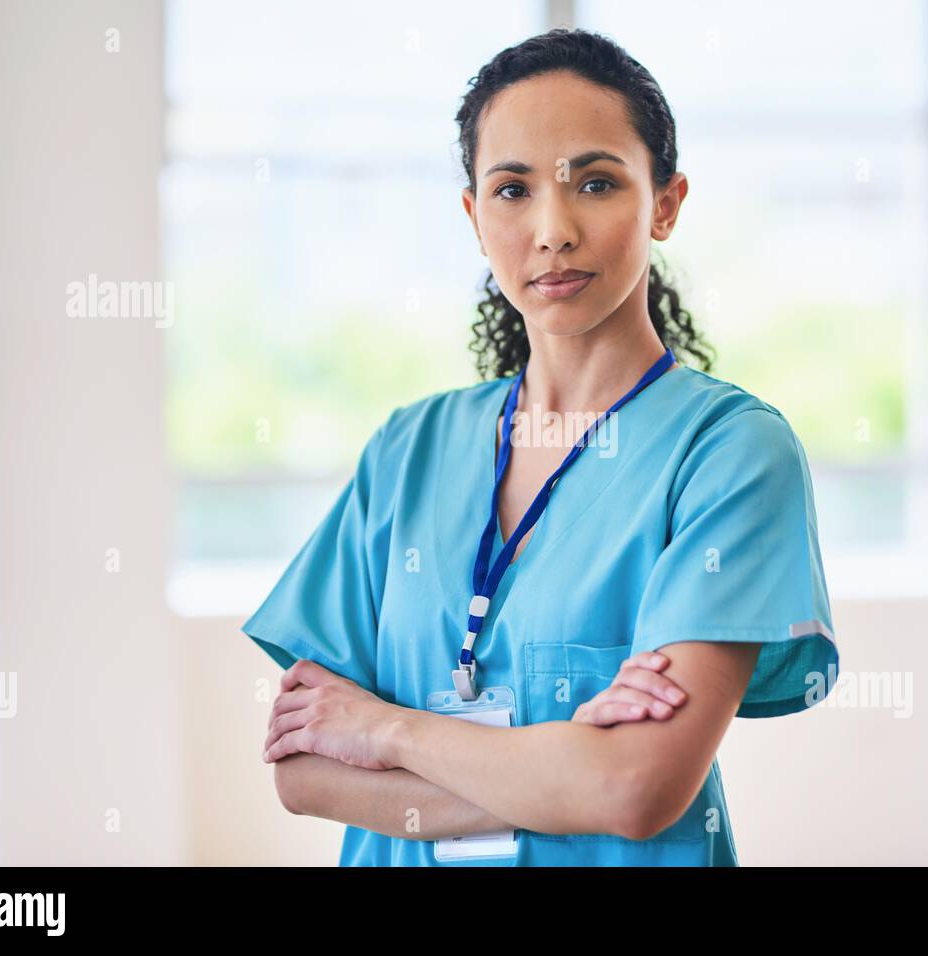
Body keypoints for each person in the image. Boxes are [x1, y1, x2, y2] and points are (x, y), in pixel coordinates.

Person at [243, 28, 839, 866]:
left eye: (595, 182)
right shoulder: (408, 451)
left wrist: (381, 731)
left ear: (666, 202)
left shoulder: (730, 453)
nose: (552, 230)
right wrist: (561, 766)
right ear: (473, 215)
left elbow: (634, 789)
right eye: (513, 189)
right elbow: (303, 771)